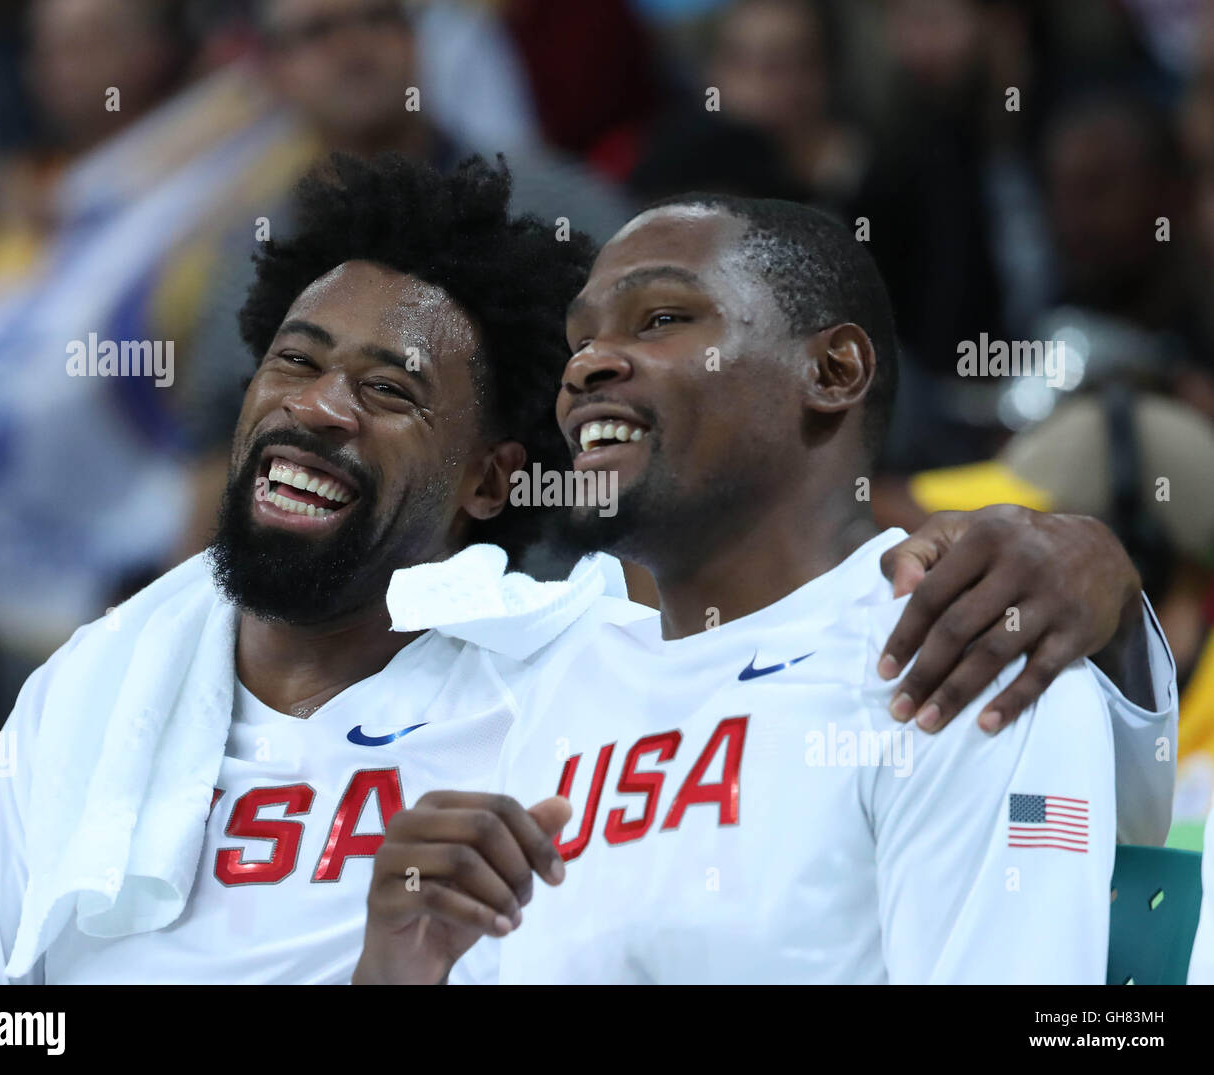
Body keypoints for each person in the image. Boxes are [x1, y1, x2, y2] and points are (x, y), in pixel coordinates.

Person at [0, 155, 1171, 984]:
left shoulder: (555, 664)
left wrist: (1091, 571)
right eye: (293, 363)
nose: (320, 407)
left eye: (661, 319)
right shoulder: (110, 680)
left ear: (492, 480)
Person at [353, 193, 1177, 985]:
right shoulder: (542, 688)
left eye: (663, 318)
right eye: (578, 341)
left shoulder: (959, 643)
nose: (586, 366)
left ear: (832, 368)